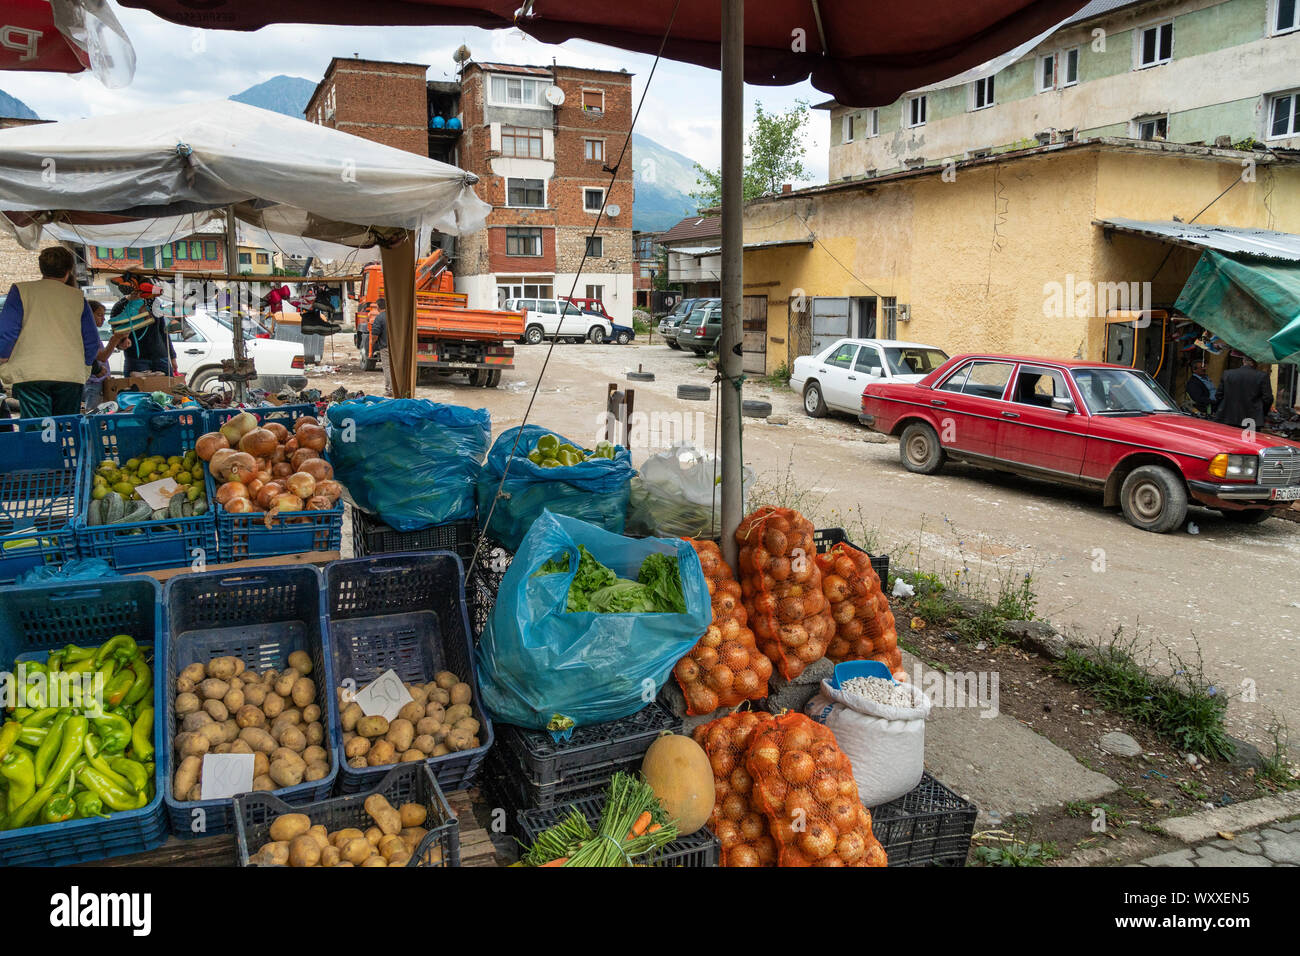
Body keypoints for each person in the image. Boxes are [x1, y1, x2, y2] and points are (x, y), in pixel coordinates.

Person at [0, 246, 101, 418]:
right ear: (69, 271)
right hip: (70, 375)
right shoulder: (77, 298)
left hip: (30, 373)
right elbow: (91, 341)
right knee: (65, 427)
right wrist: (85, 366)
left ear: (41, 268)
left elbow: (7, 332)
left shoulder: (21, 291)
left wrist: (3, 358)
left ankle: (41, 445)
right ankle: (62, 446)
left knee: (38, 428)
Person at [112, 279, 176, 375]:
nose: (138, 293)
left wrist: (172, 357)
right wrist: (122, 342)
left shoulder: (153, 303)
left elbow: (163, 331)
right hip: (136, 358)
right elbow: (116, 334)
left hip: (160, 356)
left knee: (166, 388)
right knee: (138, 388)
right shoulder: (120, 307)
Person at [83, 302, 128, 411]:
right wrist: (115, 339)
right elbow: (102, 357)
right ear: (88, 315)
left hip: (98, 381)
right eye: (99, 315)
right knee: (93, 414)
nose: (103, 319)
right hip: (93, 383)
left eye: (104, 315)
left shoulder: (93, 334)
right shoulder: (86, 334)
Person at [1215, 355, 1273, 430]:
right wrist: (1261, 412)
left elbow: (1218, 395)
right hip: (1252, 418)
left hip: (1228, 417)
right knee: (1248, 441)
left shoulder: (1227, 374)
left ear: (1243, 361)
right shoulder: (1262, 376)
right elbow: (1268, 398)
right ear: (1256, 362)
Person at [370, 296, 392, 397]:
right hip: (396, 348)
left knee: (387, 368)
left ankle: (389, 390)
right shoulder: (393, 316)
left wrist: (372, 343)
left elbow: (375, 334)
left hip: (385, 347)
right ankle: (397, 387)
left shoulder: (379, 317)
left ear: (378, 307)